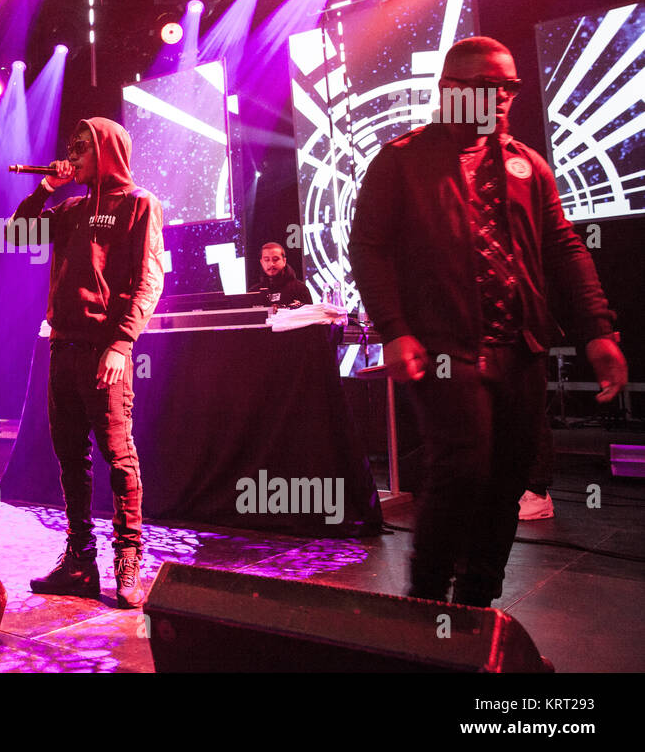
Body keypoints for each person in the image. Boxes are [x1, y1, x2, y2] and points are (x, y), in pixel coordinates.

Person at [350, 36, 627, 607]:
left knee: (507, 480)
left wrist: (597, 329)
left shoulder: (526, 164)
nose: (501, 97)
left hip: (520, 348)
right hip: (445, 348)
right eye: (485, 86)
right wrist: (394, 329)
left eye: (510, 87)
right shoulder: (401, 160)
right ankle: (426, 605)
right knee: (464, 466)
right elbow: (369, 249)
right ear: (449, 90)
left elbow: (563, 247)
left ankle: (475, 609)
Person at [7, 117, 165, 608]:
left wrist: (121, 343)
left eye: (82, 147)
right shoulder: (71, 208)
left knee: (119, 455)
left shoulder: (139, 204)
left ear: (107, 150)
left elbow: (148, 279)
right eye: (71, 146)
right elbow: (17, 234)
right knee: (70, 458)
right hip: (63, 345)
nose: (72, 154)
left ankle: (129, 555)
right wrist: (46, 187)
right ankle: (80, 559)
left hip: (105, 351)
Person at [257, 242, 312, 307]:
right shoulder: (254, 292)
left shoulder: (300, 289)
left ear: (284, 261)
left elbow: (311, 315)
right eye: (267, 260)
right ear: (261, 262)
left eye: (275, 259)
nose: (271, 264)